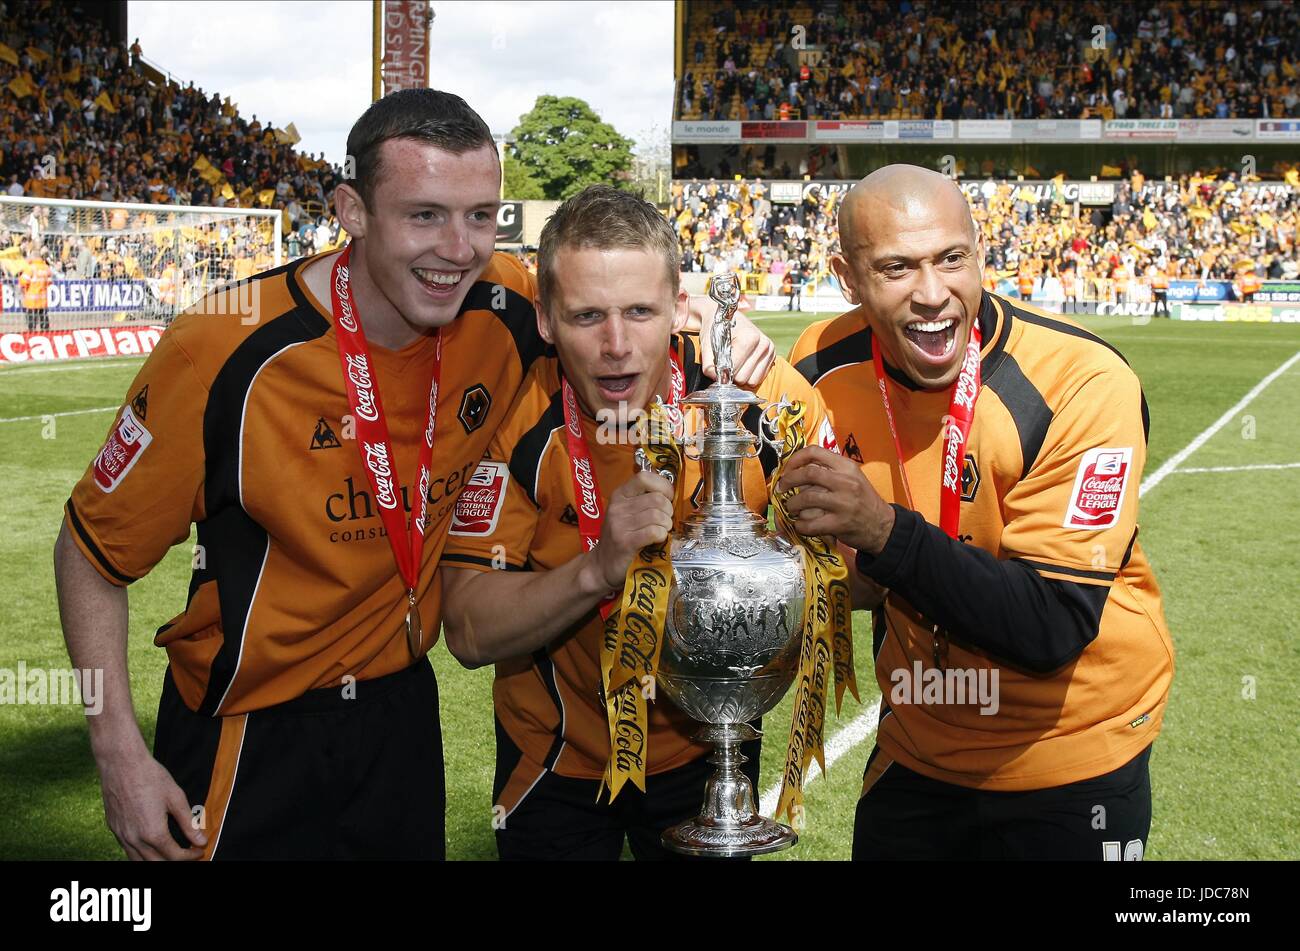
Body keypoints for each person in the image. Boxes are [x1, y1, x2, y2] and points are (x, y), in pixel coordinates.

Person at [53, 87, 776, 862]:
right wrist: (118, 754)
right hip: (248, 724)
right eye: (424, 214)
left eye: (480, 216)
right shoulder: (224, 351)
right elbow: (88, 553)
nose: (457, 248)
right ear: (352, 211)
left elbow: (611, 295)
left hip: (400, 716)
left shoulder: (499, 304)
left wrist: (708, 317)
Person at [780, 164, 1174, 861]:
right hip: (919, 743)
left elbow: (1052, 623)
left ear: (980, 250)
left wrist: (882, 532)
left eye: (951, 259)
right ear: (847, 276)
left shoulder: (1081, 381)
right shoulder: (817, 366)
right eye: (897, 267)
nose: (932, 294)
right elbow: (823, 565)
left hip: (1071, 752)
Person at [438, 186, 833, 860]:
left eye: (640, 312)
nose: (616, 345)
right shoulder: (513, 418)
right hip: (555, 757)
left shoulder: (763, 406)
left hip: (711, 746)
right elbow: (469, 630)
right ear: (545, 318)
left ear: (682, 308)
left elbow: (849, 569)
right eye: (587, 315)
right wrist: (596, 569)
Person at [19, 249, 52, 332]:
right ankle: (46, 333)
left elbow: (23, 281)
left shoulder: (30, 268)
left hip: (32, 301)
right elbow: (49, 282)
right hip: (43, 300)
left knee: (32, 322)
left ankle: (32, 334)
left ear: (33, 257)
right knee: (44, 319)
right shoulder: (46, 268)